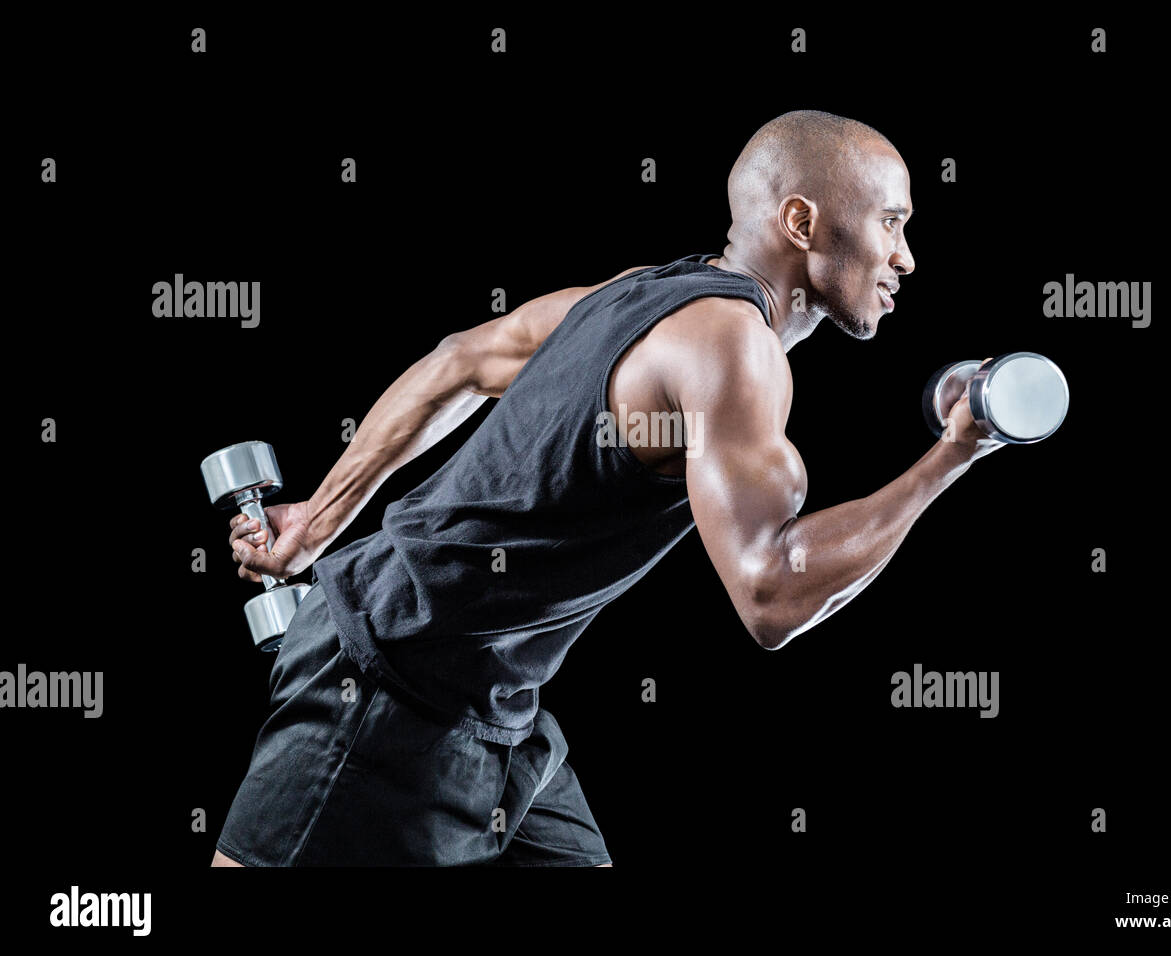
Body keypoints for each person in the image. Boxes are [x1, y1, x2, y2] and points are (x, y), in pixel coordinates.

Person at [211, 109, 1004, 867]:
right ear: (801, 223)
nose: (905, 256)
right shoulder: (733, 349)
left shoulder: (645, 290)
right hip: (387, 681)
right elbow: (771, 595)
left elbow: (459, 359)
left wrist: (317, 520)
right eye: (891, 223)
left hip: (496, 706)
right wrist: (954, 456)